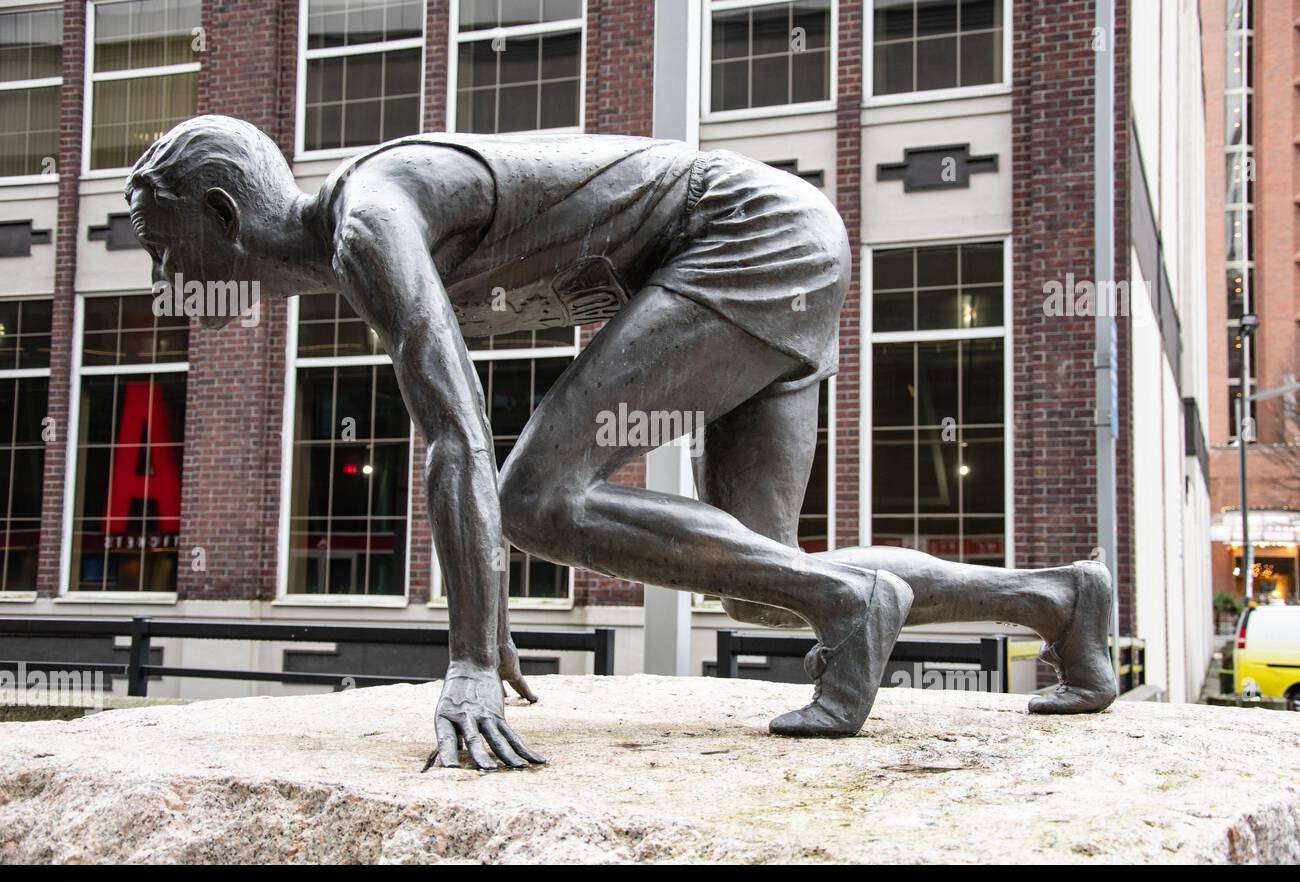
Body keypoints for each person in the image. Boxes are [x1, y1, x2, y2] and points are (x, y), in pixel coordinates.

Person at [126, 115, 1116, 771]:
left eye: (159, 241)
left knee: (535, 496)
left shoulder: (367, 221)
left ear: (222, 214)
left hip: (747, 236)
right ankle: (1057, 601)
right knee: (755, 582)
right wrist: (483, 606)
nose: (159, 270)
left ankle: (853, 601)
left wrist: (470, 652)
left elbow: (456, 438)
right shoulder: (367, 229)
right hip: (784, 244)